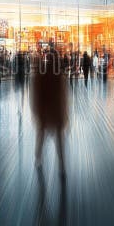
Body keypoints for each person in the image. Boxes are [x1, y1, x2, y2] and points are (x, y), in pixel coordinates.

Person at [31, 42, 68, 176]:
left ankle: (38, 158)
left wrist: (36, 112)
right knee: (59, 139)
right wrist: (65, 114)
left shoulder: (41, 75)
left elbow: (36, 95)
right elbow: (63, 97)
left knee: (42, 136)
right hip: (56, 112)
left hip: (45, 112)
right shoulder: (59, 76)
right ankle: (61, 164)